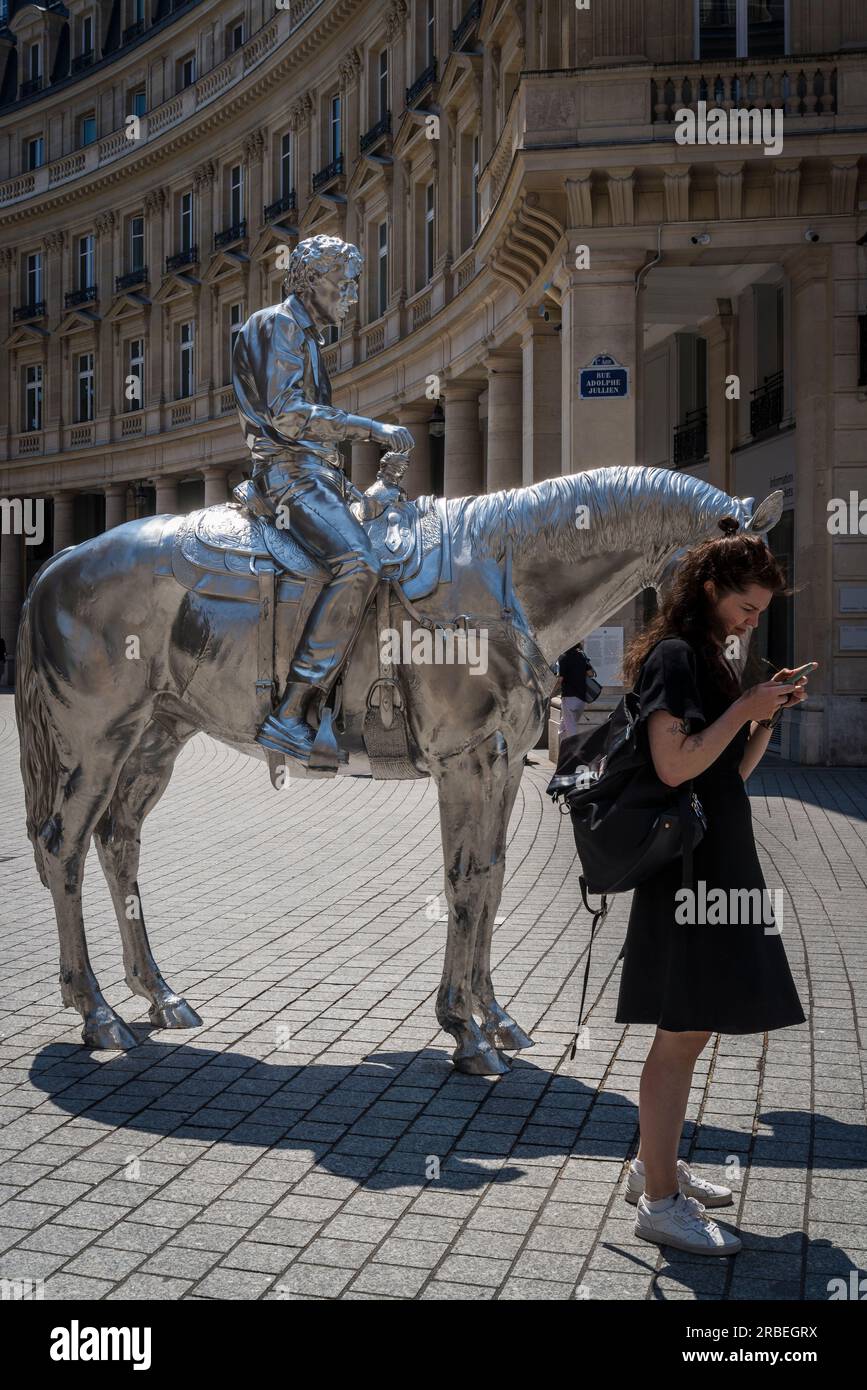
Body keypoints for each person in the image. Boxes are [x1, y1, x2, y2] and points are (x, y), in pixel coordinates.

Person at [615, 515, 808, 1257]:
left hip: (717, 864)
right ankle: (659, 1202)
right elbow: (673, 765)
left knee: (691, 1030)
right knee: (681, 1031)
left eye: (759, 613)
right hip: (689, 876)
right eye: (744, 608)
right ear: (708, 589)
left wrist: (761, 719)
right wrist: (741, 709)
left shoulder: (706, 657)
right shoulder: (672, 656)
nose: (750, 621)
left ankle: (652, 1168)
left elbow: (722, 775)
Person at [232, 234, 414, 766]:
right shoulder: (281, 324)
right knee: (358, 564)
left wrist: (375, 487)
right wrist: (371, 427)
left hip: (314, 476)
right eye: (346, 283)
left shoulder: (306, 336)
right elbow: (289, 417)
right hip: (287, 477)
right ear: (313, 280)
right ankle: (292, 710)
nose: (353, 295)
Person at [555, 641, 597, 738]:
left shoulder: (563, 658)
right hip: (581, 698)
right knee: (563, 728)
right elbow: (591, 674)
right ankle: (563, 750)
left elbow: (560, 679)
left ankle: (574, 752)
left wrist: (551, 693)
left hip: (569, 697)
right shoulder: (582, 657)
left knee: (571, 730)